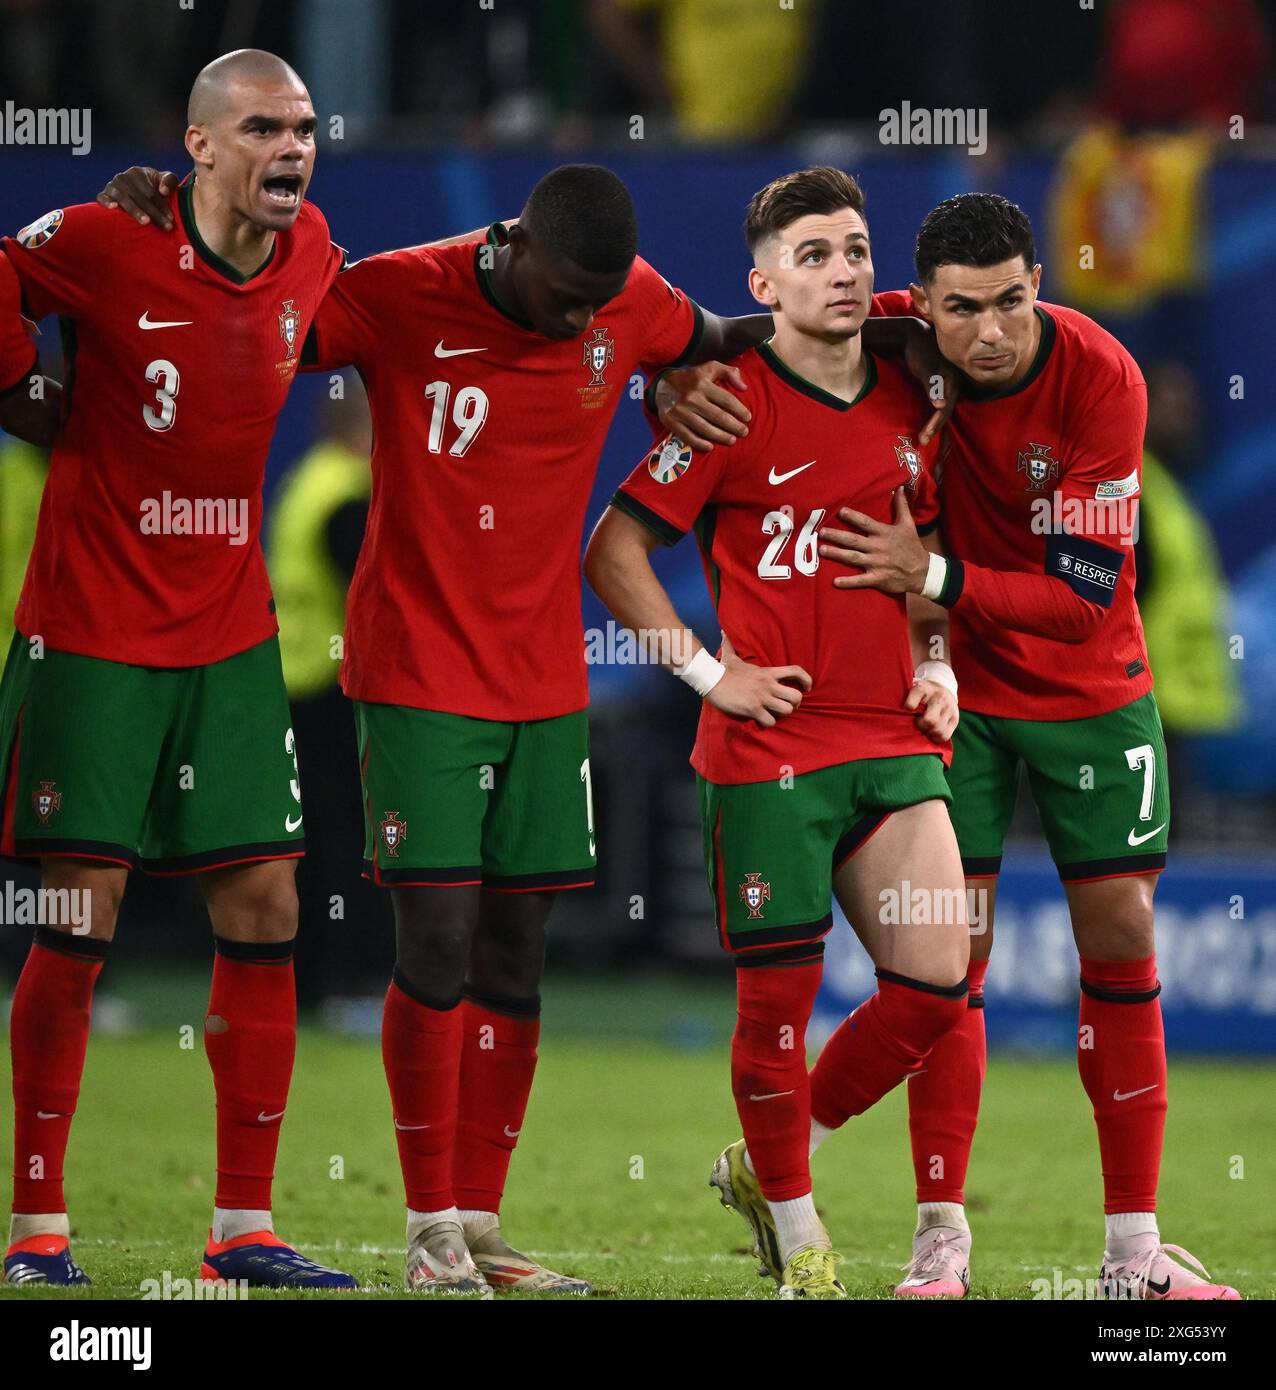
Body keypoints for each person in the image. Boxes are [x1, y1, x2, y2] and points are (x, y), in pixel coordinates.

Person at [654, 192, 1241, 1301]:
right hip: (949, 693)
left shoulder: (1100, 378)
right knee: (947, 961)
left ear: (1036, 286)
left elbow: (1081, 597)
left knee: (1120, 938)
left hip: (1086, 685)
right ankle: (940, 1243)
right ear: (920, 305)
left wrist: (926, 575)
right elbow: (747, 334)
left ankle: (1131, 1256)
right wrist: (673, 376)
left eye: (1012, 301)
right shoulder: (883, 330)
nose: (989, 332)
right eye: (963, 309)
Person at [295, 161, 790, 1294]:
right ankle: (423, 1230)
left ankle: (480, 1224)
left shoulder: (626, 296)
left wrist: (854, 329)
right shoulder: (399, 290)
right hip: (416, 669)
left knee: (517, 954)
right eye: (563, 296)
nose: (578, 319)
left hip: (542, 678)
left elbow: (711, 334)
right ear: (514, 241)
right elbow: (261, 318)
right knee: (432, 943)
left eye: (593, 304)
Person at [0, 49, 356, 1290]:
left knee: (267, 906)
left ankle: (243, 1230)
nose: (294, 148)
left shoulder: (314, 257)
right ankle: (39, 1231)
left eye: (306, 127)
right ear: (200, 147)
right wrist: (24, 389)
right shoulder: (104, 238)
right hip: (93, 625)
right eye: (264, 127)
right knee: (75, 911)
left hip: (230, 633)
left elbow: (402, 316)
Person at [585, 167, 970, 1298]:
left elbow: (924, 568)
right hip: (772, 749)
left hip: (894, 736)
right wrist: (710, 673)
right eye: (813, 255)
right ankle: (803, 1245)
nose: (844, 270)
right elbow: (613, 554)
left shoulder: (915, 394)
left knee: (935, 985)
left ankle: (764, 1160)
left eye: (854, 249)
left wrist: (939, 663)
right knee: (775, 1009)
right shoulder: (722, 400)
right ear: (762, 283)